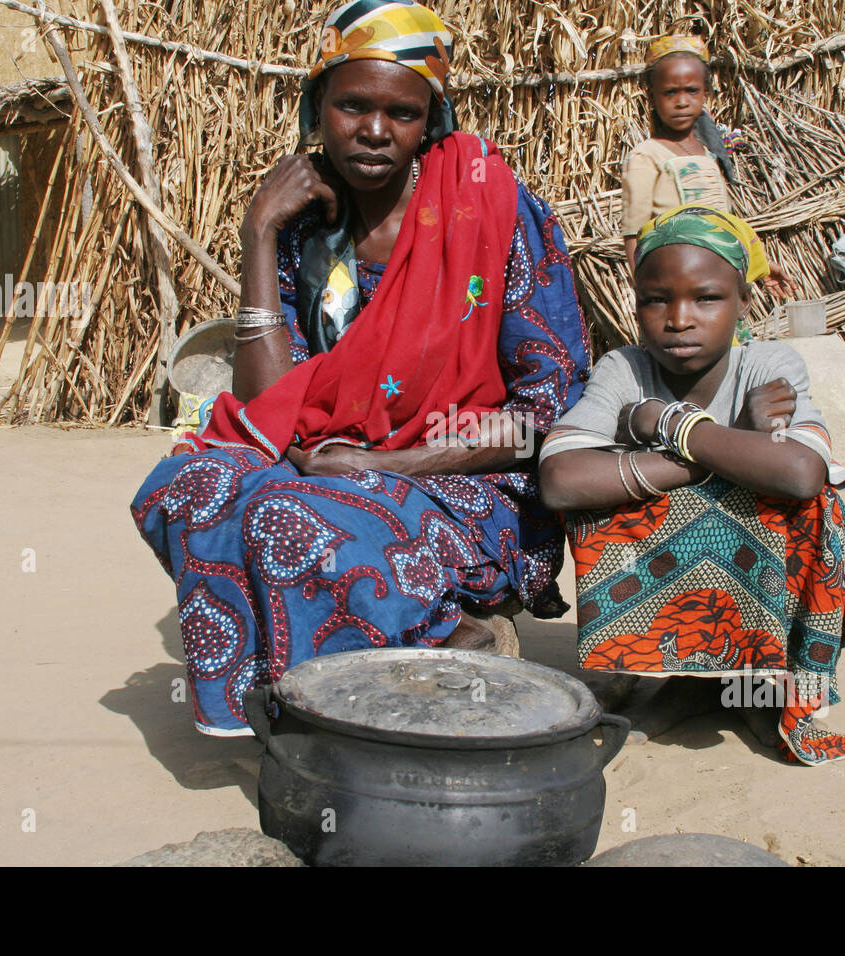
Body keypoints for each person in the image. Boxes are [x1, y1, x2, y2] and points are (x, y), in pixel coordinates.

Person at [132, 0, 591, 736]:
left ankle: (429, 652)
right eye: (352, 105)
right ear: (320, 105)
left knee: (291, 515)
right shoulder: (303, 223)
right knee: (193, 488)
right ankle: (293, 688)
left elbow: (544, 416)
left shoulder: (489, 209)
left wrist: (386, 463)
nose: (375, 131)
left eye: (401, 113)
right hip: (325, 459)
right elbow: (268, 403)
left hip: (468, 479)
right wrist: (258, 234)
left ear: (430, 119)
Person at [538, 203, 845, 765]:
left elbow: (801, 474)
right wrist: (722, 445)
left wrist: (666, 425)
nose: (679, 318)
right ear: (636, 304)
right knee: (599, 502)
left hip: (761, 559)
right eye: (657, 299)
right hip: (664, 566)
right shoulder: (624, 369)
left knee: (812, 505)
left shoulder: (768, 364)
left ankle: (739, 680)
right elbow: (559, 480)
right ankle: (683, 675)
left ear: (744, 302)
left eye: (706, 298)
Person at [621, 35, 794, 305]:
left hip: (716, 283)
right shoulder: (647, 157)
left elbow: (725, 226)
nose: (681, 101)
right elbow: (634, 234)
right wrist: (648, 292)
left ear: (706, 93)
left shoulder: (707, 154)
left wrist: (762, 269)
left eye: (691, 91)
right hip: (674, 286)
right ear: (651, 96)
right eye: (670, 92)